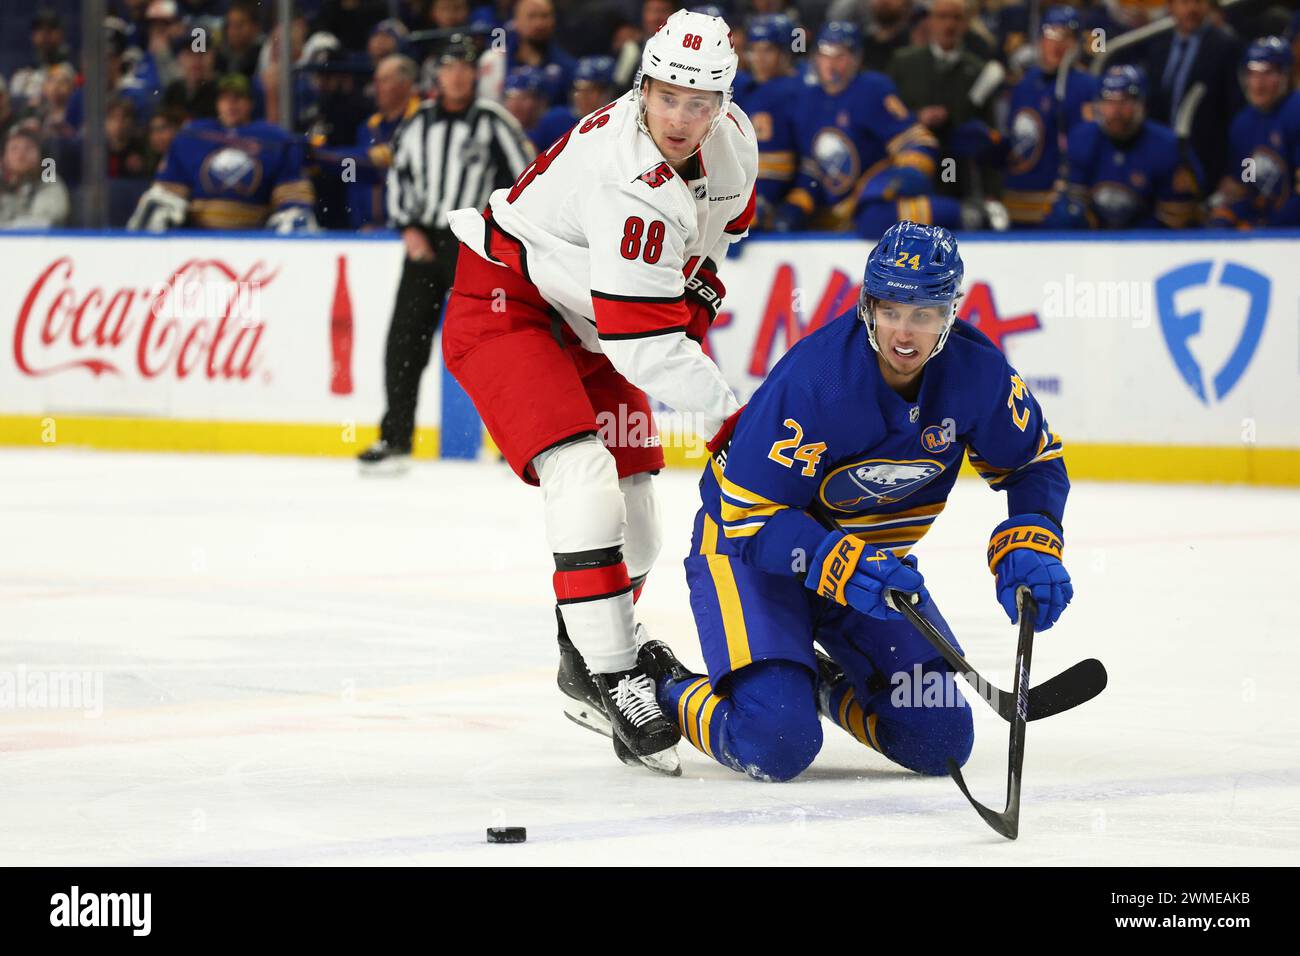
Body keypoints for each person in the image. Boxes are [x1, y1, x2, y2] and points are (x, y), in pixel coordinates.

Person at [637, 221, 1072, 783]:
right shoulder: (816, 381)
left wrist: (1032, 539)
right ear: (868, 306)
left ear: (950, 312)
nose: (905, 334)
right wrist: (840, 562)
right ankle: (661, 682)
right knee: (776, 743)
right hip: (750, 558)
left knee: (938, 738)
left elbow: (1032, 462)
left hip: (864, 571)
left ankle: (808, 680)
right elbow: (750, 514)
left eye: (923, 313)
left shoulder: (977, 374)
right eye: (891, 310)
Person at [440, 9, 758, 773]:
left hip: (594, 316)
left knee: (641, 521)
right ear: (642, 86)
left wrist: (700, 330)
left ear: (724, 102)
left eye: (700, 100)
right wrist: (733, 419)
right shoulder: (626, 179)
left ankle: (584, 642)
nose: (682, 118)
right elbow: (647, 345)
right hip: (509, 306)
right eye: (667, 95)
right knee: (583, 474)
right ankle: (611, 672)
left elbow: (702, 265)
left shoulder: (733, 145)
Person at [356, 35, 533, 472]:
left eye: (465, 67)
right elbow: (400, 178)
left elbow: (527, 179)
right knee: (404, 342)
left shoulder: (494, 122)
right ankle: (395, 440)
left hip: (475, 246)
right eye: (449, 67)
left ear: (475, 74)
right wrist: (408, 228)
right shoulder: (417, 124)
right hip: (424, 242)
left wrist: (501, 235)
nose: (457, 75)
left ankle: (521, 442)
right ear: (438, 74)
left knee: (499, 344)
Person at [769, 21, 957, 237]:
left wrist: (905, 174)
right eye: (825, 55)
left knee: (873, 219)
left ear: (856, 59)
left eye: (841, 56)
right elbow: (812, 170)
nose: (832, 64)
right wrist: (798, 205)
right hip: (838, 212)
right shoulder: (806, 102)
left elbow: (918, 140)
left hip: (877, 194)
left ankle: (958, 213)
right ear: (815, 58)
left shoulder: (872, 90)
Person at [126, 73, 317, 231]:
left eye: (238, 98)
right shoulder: (193, 136)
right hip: (196, 238)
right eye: (226, 98)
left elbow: (292, 199)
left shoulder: (274, 139)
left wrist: (289, 217)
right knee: (153, 212)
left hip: (255, 239)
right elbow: (169, 191)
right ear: (217, 103)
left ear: (250, 103)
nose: (231, 104)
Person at [1048, 64, 1203, 229]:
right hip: (1096, 242)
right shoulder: (1081, 139)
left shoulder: (1167, 146)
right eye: (1109, 102)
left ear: (1141, 105)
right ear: (1098, 105)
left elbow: (1177, 222)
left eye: (1125, 101)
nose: (1116, 111)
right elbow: (1072, 207)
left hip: (1148, 243)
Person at [1001, 6, 1098, 228]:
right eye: (1051, 35)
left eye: (1067, 37)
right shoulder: (1024, 84)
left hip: (1056, 205)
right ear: (1040, 40)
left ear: (1077, 44)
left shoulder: (1086, 86)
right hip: (1016, 203)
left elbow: (1089, 149)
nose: (1057, 44)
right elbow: (1014, 139)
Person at [1143, 0, 1242, 187]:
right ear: (1171, 6)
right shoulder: (1157, 44)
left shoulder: (1226, 46)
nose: (1192, 9)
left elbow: (1235, 111)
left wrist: (1232, 170)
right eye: (1185, 2)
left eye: (1198, 2)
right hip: (1158, 151)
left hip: (1205, 156)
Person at [1207, 36, 1300, 229]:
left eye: (1268, 73)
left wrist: (1266, 227)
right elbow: (1248, 183)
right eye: (1252, 73)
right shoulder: (1243, 124)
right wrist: (1230, 208)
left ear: (1287, 75)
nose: (1258, 84)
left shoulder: (1296, 111)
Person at [0, 127, 70, 229]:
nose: (21, 155)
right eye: (14, 149)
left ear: (40, 155)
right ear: (4, 158)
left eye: (28, 148)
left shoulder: (48, 181)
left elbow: (44, 222)